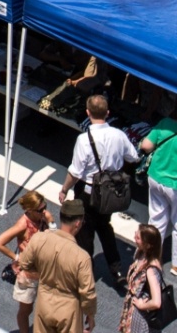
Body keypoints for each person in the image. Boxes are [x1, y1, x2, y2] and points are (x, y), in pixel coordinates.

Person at [64, 93, 140, 282]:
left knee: (85, 231)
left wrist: (64, 189)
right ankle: (116, 269)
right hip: (110, 191)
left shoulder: (84, 139)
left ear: (87, 112)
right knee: (105, 227)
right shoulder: (119, 135)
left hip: (88, 191)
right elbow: (133, 157)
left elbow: (76, 171)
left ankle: (85, 270)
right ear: (107, 113)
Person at [18, 199, 99, 333]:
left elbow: (24, 263)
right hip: (68, 309)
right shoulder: (82, 257)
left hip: (44, 303)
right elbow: (87, 292)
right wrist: (90, 315)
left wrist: (42, 273)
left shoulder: (39, 239)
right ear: (78, 223)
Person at [0, 190, 56, 333]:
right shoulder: (22, 225)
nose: (44, 211)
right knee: (26, 310)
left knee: (49, 306)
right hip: (28, 276)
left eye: (45, 206)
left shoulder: (44, 217)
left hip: (44, 270)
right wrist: (16, 258)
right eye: (40, 209)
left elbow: (54, 235)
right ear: (30, 210)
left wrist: (51, 221)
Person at [140, 114, 177, 260]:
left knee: (156, 218)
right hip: (174, 184)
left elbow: (146, 146)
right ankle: (176, 263)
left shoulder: (165, 123)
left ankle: (152, 256)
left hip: (155, 176)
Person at [122, 226, 166, 333]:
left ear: (148, 245)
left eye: (138, 238)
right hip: (132, 312)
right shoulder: (141, 254)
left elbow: (156, 302)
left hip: (140, 318)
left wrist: (142, 305)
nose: (134, 238)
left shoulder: (151, 269)